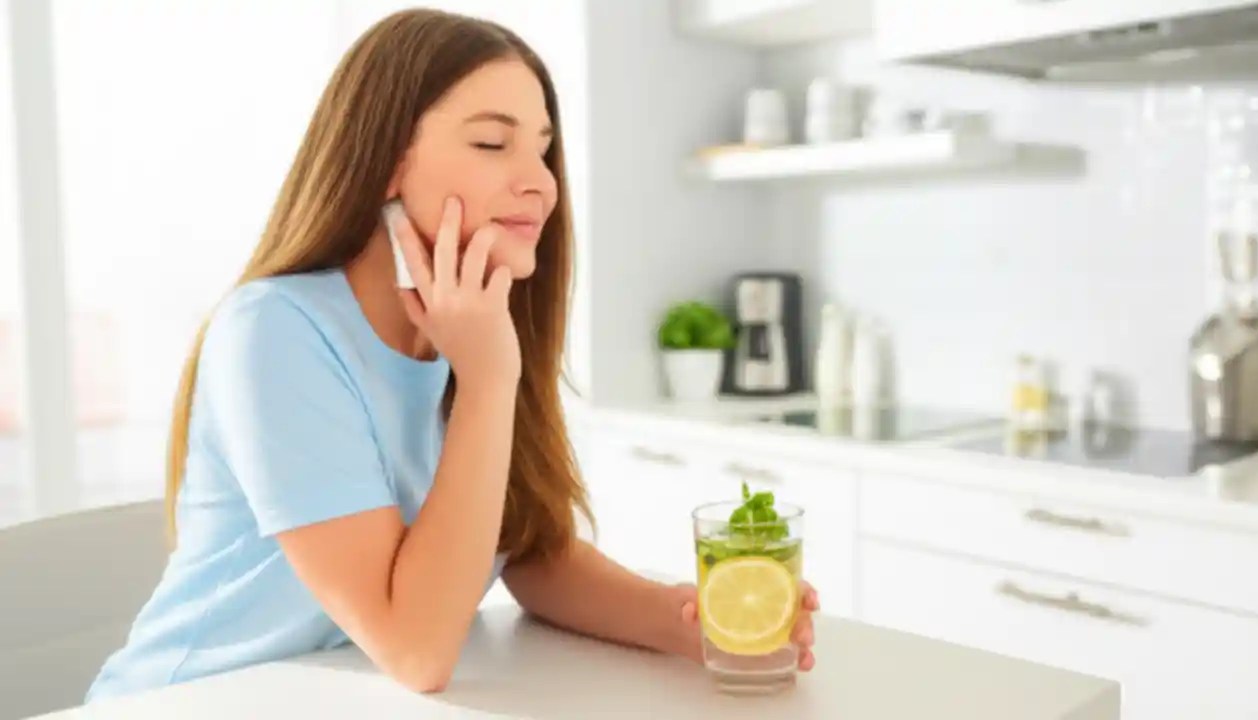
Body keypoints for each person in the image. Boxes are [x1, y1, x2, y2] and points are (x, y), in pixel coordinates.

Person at [86, 8, 818, 701]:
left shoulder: (472, 326)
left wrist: (687, 623)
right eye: (493, 143)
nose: (539, 181)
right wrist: (490, 381)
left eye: (542, 147)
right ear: (387, 164)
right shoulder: (273, 332)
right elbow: (417, 649)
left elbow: (531, 552)